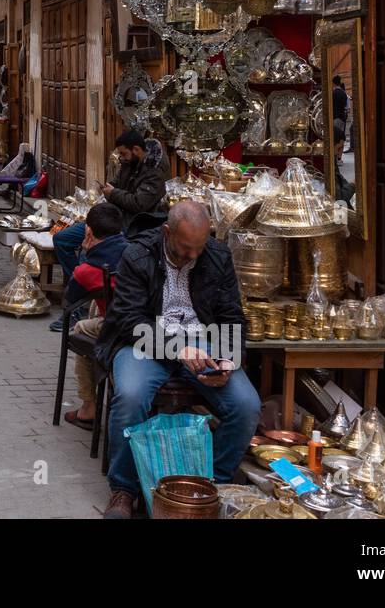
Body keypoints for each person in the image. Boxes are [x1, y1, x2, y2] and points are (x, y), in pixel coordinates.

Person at [95, 200, 259, 519]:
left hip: (202, 342)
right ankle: (123, 490)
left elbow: (232, 316)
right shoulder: (138, 255)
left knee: (246, 405)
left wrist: (228, 357)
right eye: (186, 248)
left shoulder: (216, 255)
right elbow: (127, 320)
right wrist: (178, 349)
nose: (193, 256)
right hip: (145, 338)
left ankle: (212, 484)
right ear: (167, 232)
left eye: (199, 247)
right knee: (130, 396)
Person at [49, 131, 167, 332]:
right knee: (62, 239)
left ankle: (76, 305)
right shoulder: (128, 165)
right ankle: (80, 289)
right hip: (110, 217)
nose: (121, 158)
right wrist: (111, 191)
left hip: (130, 225)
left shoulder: (155, 173)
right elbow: (119, 188)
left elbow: (139, 203)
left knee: (89, 253)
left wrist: (114, 193)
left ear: (137, 150)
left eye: (124, 154)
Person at [61, 204, 128, 430]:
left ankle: (88, 404)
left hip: (119, 325)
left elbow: (70, 298)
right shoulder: (133, 252)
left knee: (80, 329)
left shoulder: (87, 270)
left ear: (88, 232)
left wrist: (86, 257)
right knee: (93, 312)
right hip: (142, 321)